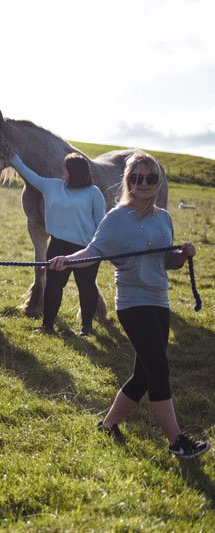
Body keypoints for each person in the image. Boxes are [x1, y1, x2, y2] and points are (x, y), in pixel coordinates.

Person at [48, 150, 209, 459]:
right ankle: (177, 440)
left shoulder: (164, 217)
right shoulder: (116, 218)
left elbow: (167, 262)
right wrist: (66, 260)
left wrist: (183, 255)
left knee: (145, 374)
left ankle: (107, 425)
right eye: (137, 178)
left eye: (150, 178)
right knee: (159, 368)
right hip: (133, 303)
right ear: (128, 181)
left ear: (157, 181)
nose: (144, 183)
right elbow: (93, 252)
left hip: (160, 301)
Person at [8, 150, 106, 335]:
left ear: (75, 171)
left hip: (86, 249)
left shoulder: (94, 193)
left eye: (65, 168)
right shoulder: (51, 186)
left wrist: (99, 248)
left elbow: (101, 223)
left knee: (86, 286)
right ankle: (48, 325)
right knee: (53, 286)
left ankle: (86, 327)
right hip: (58, 245)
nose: (61, 170)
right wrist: (14, 159)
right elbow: (30, 175)